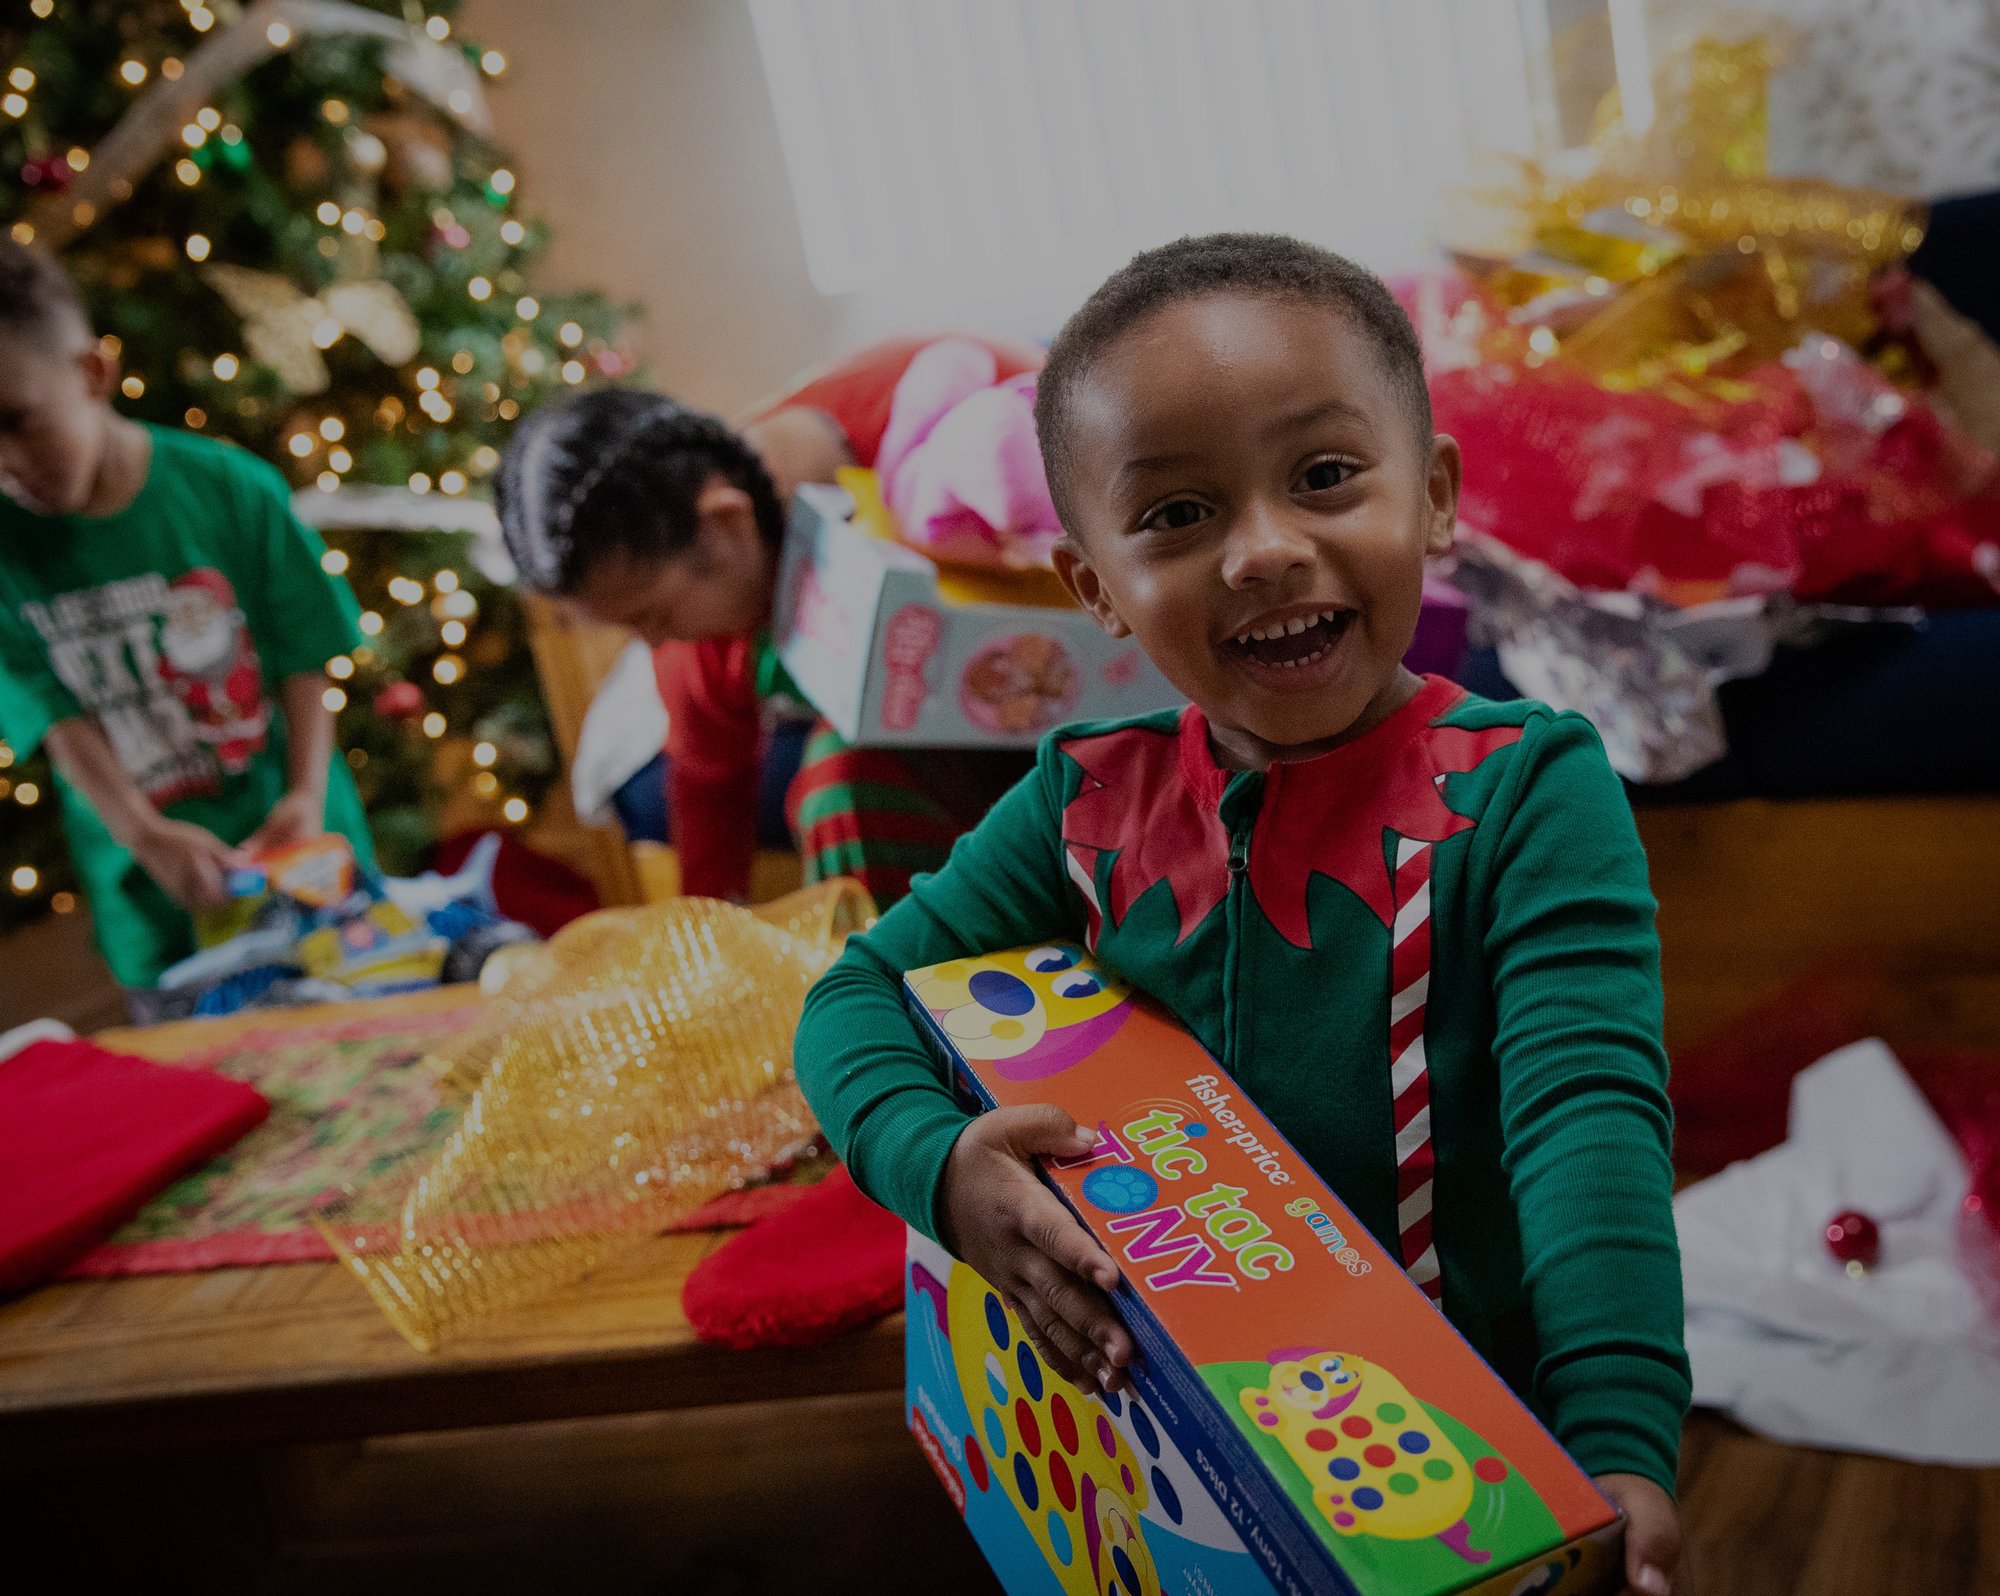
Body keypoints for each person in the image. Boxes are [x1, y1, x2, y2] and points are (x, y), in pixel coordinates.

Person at [792, 235, 1688, 1594]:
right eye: (1176, 516)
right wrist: (943, 1167)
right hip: (1163, 1471)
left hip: (1469, 1479)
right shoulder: (1081, 801)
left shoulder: (1528, 791)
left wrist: (1620, 1440)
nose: (1265, 551)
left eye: (1326, 477)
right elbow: (850, 1000)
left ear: (1434, 498)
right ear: (1091, 585)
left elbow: (1589, 1121)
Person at [495, 335, 1041, 908]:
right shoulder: (701, 648)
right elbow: (710, 804)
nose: (653, 642)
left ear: (726, 521)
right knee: (836, 782)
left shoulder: (930, 413)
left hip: (1088, 671)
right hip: (967, 743)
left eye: (653, 615)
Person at [0, 240, 371, 1001]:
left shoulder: (233, 489)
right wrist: (139, 832)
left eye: (16, 421)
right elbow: (54, 716)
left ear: (92, 373)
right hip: (158, 913)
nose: (4, 462)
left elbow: (307, 659)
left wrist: (303, 796)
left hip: (308, 871)